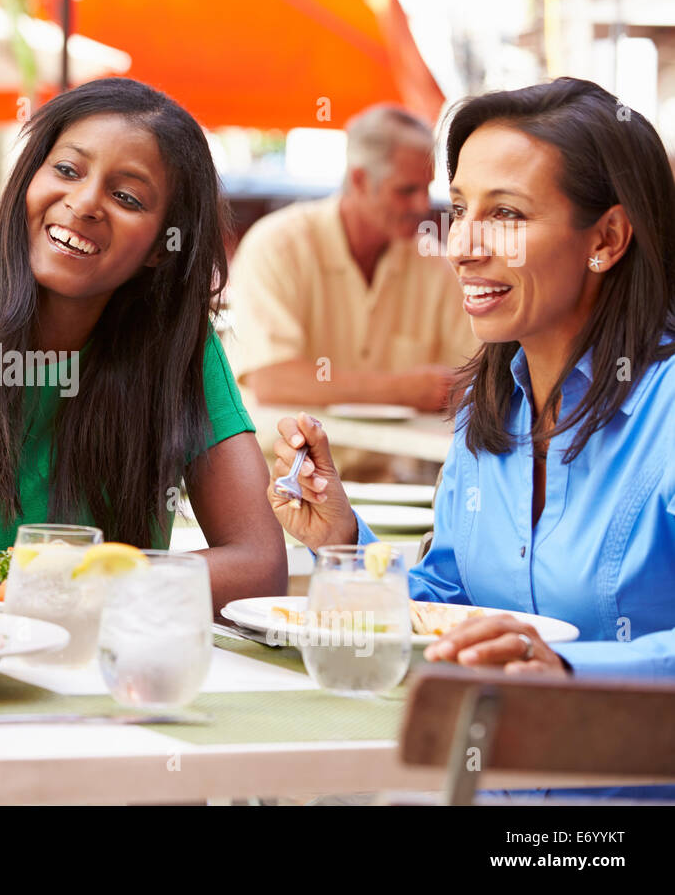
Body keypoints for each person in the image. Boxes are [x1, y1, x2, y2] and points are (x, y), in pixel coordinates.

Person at [0, 77, 288, 804]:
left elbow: (257, 566)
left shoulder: (180, 359)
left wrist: (61, 583)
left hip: (117, 736)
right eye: (66, 169)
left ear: (163, 248)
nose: (86, 201)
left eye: (127, 197)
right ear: (28, 181)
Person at [269, 78, 675, 798]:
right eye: (459, 210)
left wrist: (573, 675)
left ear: (606, 239)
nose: (461, 246)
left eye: (506, 214)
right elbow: (452, 603)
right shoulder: (490, 412)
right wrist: (347, 539)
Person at [227, 105, 477, 415]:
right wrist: (403, 390)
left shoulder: (435, 265)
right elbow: (273, 379)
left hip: (390, 464)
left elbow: (475, 375)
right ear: (359, 180)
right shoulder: (278, 246)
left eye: (426, 188)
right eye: (407, 190)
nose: (422, 204)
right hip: (284, 462)